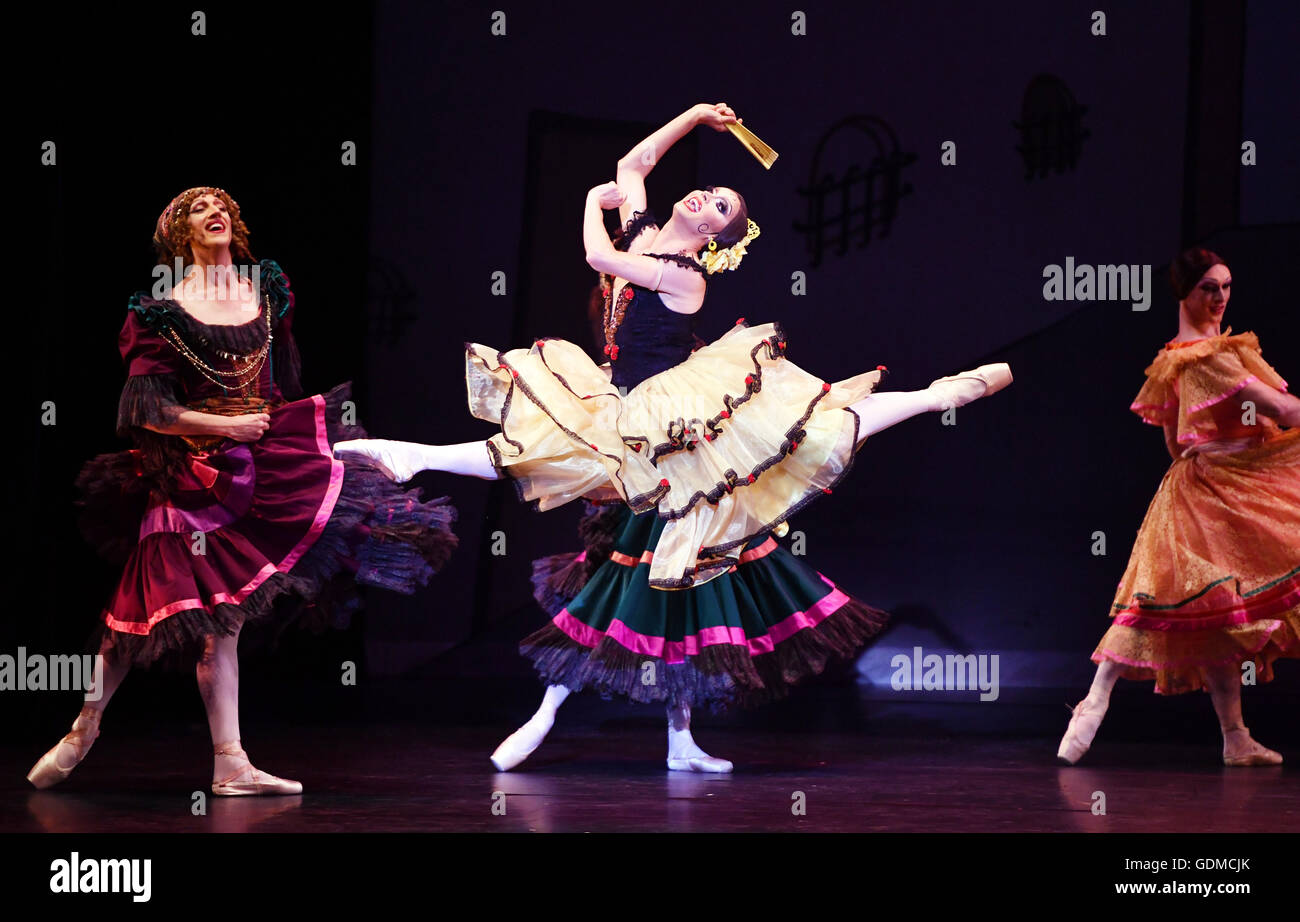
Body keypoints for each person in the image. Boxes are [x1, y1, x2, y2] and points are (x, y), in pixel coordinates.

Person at [335, 103, 1013, 772]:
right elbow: (635, 163)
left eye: (721, 208)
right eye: (712, 191)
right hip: (627, 405)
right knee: (609, 520)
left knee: (808, 425)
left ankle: (938, 395)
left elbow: (594, 252)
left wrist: (590, 205)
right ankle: (410, 458)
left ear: (716, 237)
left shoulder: (682, 275)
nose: (707, 198)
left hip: (663, 420)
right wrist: (692, 117)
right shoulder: (648, 234)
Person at [27, 187, 457, 795]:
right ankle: (83, 728)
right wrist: (224, 425)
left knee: (225, 622)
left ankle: (230, 763)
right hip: (192, 473)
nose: (213, 210)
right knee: (141, 612)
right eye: (196, 207)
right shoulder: (161, 310)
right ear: (179, 233)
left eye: (220, 202)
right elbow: (150, 413)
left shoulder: (266, 290)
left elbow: (278, 381)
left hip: (257, 463)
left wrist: (288, 440)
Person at [1058, 247, 1300, 767]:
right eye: (1208, 288)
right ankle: (1096, 698)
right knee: (1169, 600)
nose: (1220, 298)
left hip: (1197, 483)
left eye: (1227, 286)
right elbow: (1282, 409)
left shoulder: (1172, 356)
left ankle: (1233, 736)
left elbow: (1174, 443)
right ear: (1183, 292)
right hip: (1224, 487)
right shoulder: (1212, 356)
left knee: (1207, 612)